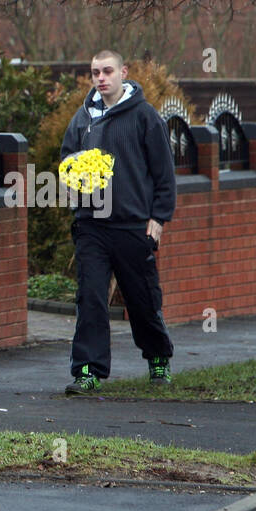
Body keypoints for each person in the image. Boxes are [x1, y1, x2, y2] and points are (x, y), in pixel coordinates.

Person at [60, 50, 176, 395]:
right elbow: (66, 161)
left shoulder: (144, 116)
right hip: (91, 225)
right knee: (91, 297)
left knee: (141, 299)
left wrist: (159, 217)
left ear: (123, 72)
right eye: (95, 72)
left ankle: (158, 357)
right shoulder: (82, 119)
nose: (101, 77)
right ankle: (87, 370)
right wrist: (72, 176)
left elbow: (163, 172)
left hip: (133, 224)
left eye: (107, 71)